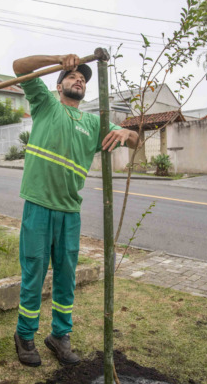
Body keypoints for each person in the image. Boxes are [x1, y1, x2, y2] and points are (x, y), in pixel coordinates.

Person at [11, 53, 139, 367]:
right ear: (58, 86)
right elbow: (19, 68)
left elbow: (135, 140)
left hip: (70, 211)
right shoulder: (45, 104)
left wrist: (126, 133)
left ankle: (60, 336)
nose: (79, 79)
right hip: (39, 207)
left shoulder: (94, 123)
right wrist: (56, 59)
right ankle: (24, 335)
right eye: (72, 76)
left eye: (83, 78)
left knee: (66, 278)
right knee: (34, 274)